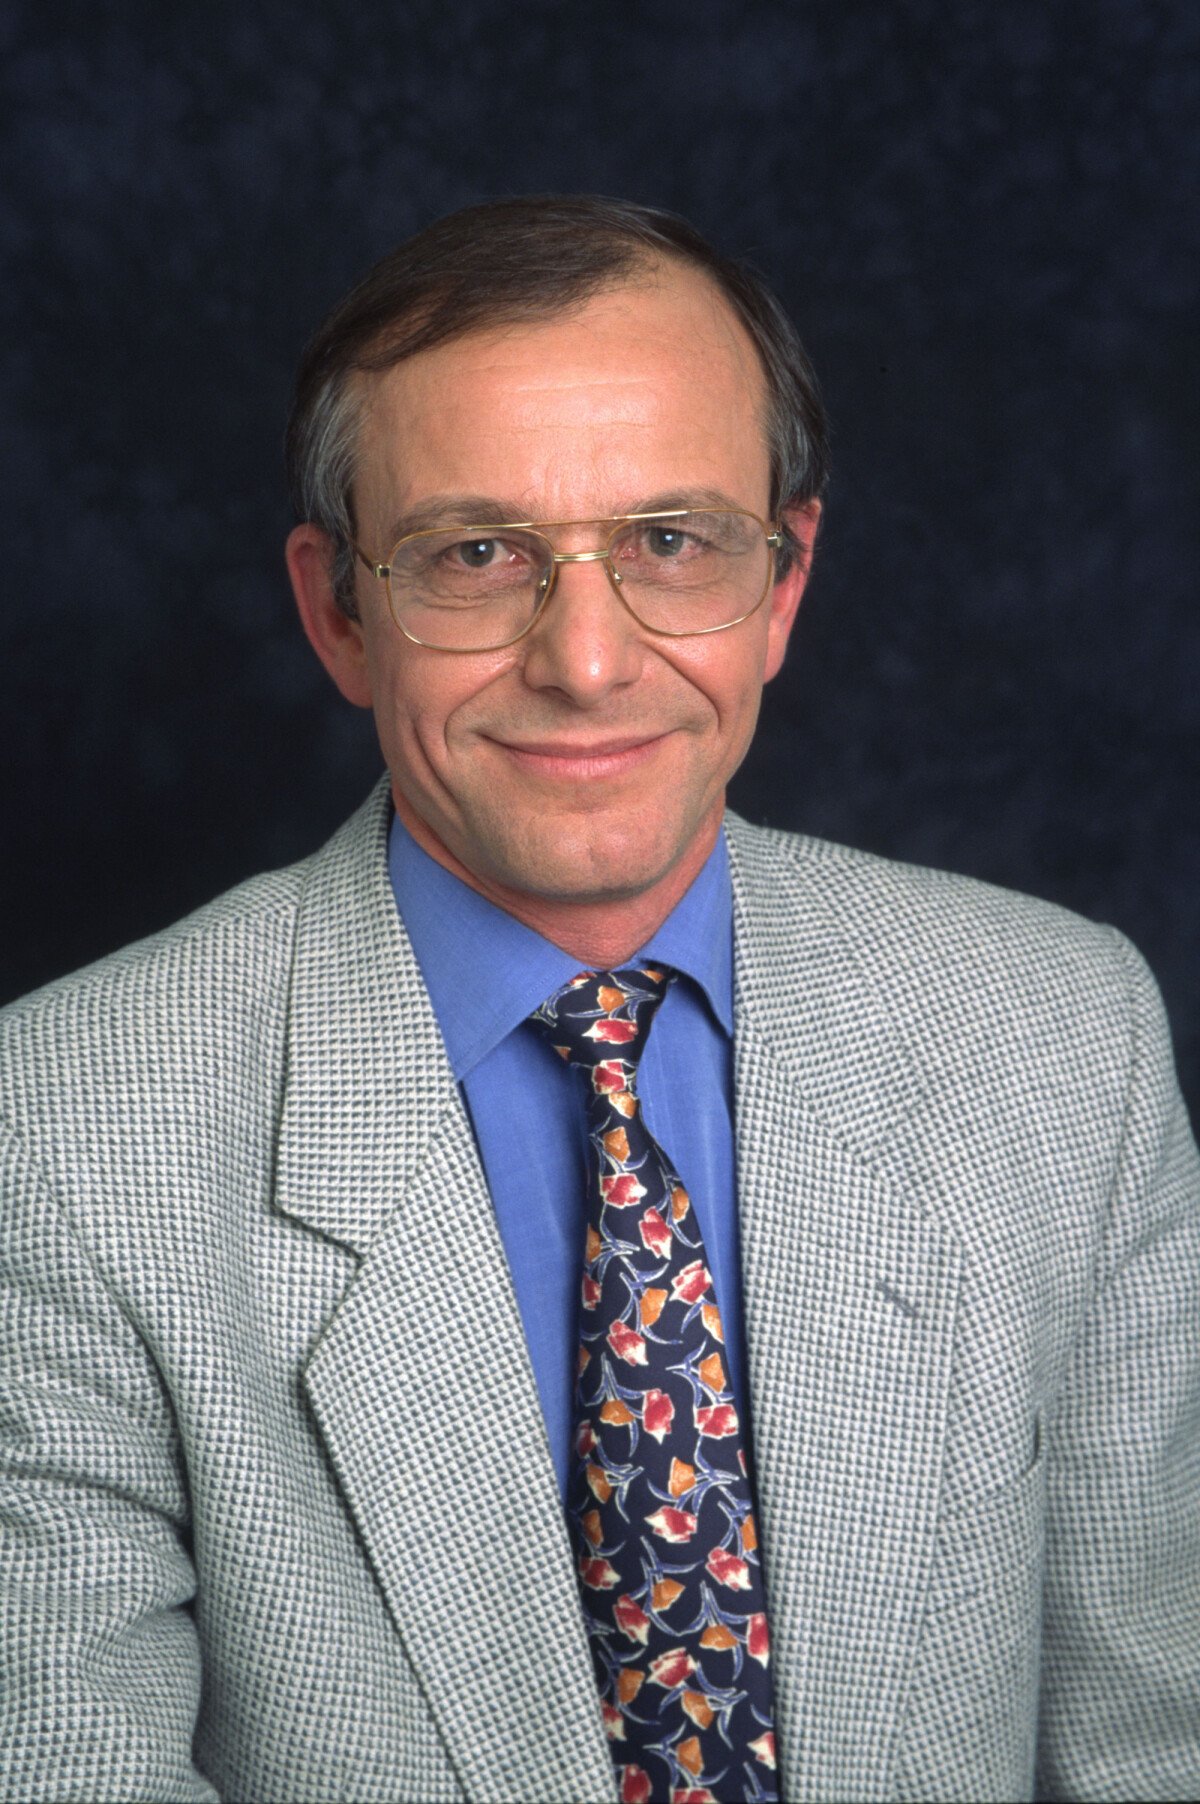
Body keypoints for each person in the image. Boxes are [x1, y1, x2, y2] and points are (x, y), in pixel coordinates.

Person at [0, 196, 1196, 1804]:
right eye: (476, 553)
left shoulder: (1064, 1037)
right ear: (338, 610)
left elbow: (1163, 1736)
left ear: (783, 585)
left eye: (671, 544)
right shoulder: (61, 1135)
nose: (585, 657)